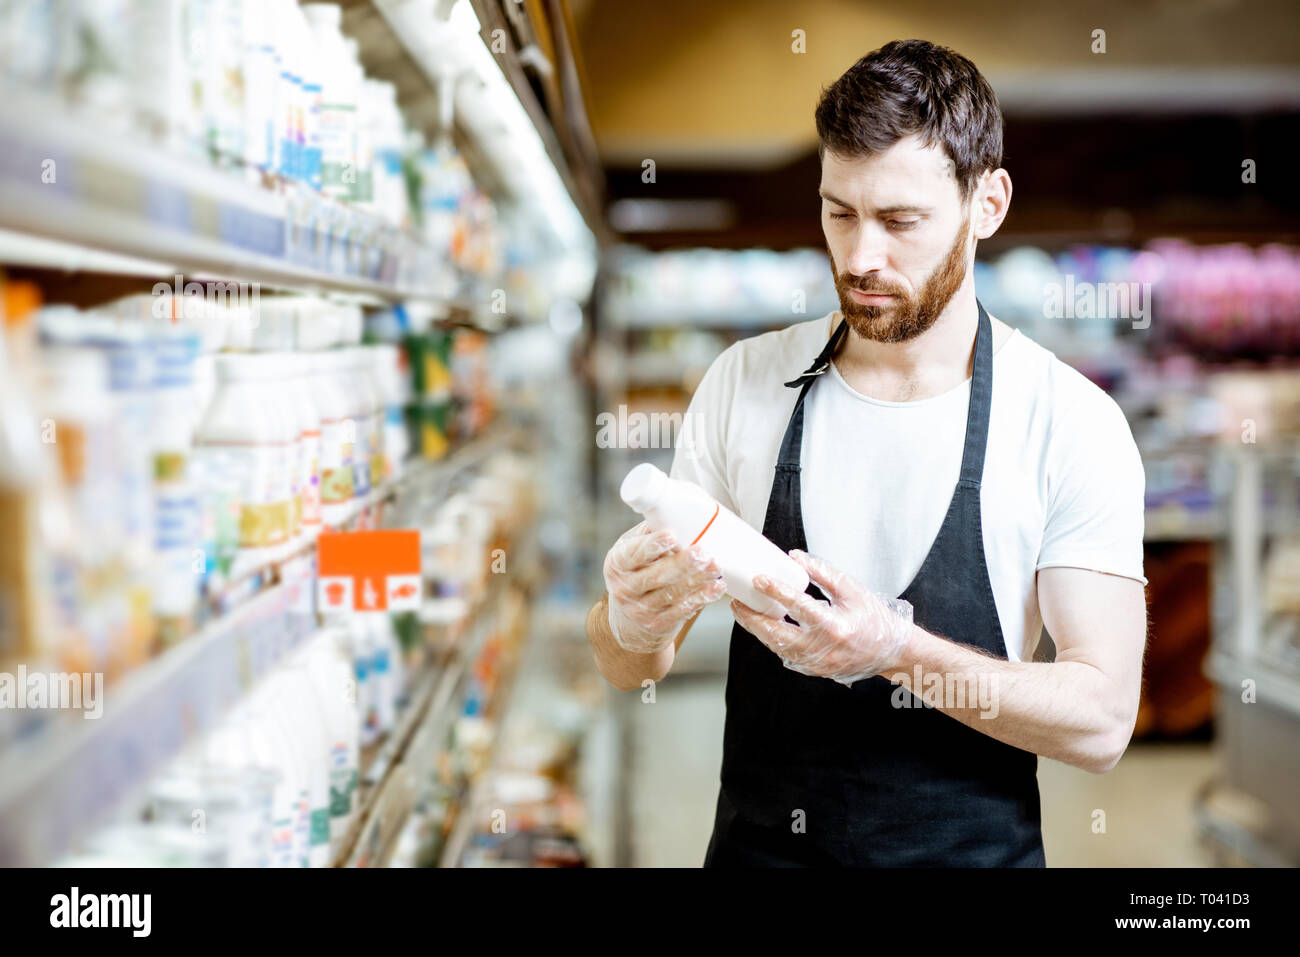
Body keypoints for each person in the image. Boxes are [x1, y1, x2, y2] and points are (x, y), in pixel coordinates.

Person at [585, 38, 1148, 867]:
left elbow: (1102, 720)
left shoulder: (1068, 420)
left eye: (900, 220)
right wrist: (633, 616)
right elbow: (626, 665)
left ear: (987, 203)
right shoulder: (746, 382)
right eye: (839, 211)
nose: (860, 257)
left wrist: (898, 651)